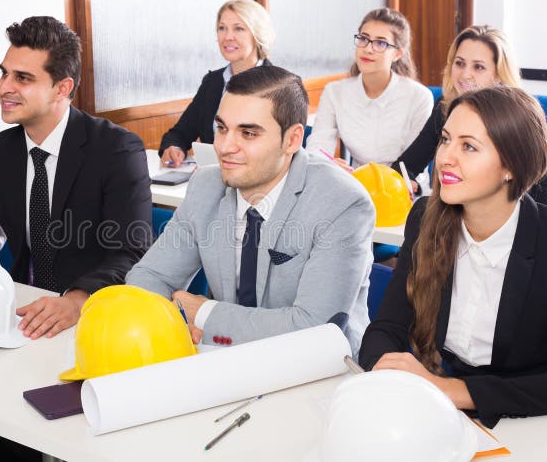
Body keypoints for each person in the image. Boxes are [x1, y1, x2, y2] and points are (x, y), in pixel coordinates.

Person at [358, 87, 547, 442]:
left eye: (468, 147)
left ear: (511, 166)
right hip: (449, 415)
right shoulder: (425, 219)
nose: (445, 158)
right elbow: (387, 327)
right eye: (445, 140)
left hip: (539, 423)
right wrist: (388, 372)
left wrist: (450, 389)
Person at [0, 16, 152, 342]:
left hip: (94, 318)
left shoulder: (116, 149)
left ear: (62, 88)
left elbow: (131, 251)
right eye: (4, 73)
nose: (4, 87)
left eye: (22, 78)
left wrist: (77, 300)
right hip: (21, 312)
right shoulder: (0, 150)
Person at [128, 66, 375, 357]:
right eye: (222, 128)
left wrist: (204, 313)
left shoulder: (343, 202)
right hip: (223, 360)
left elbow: (314, 329)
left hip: (320, 371)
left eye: (248, 133)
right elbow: (147, 278)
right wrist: (176, 321)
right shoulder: (205, 185)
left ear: (292, 140)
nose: (224, 147)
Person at [392, 25, 547, 204]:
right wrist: (409, 184)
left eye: (478, 67)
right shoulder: (445, 108)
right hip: (455, 213)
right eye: (459, 63)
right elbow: (403, 167)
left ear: (499, 74)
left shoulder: (518, 117)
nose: (465, 75)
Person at [305, 7, 432, 169]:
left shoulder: (419, 97)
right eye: (364, 39)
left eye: (380, 43)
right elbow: (317, 148)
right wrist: (330, 166)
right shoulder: (334, 92)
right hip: (355, 179)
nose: (368, 49)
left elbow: (414, 165)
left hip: (403, 181)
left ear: (397, 54)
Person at [159, 0, 275, 168]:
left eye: (239, 29)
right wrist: (174, 148)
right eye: (222, 28)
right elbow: (180, 133)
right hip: (213, 179)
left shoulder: (281, 85)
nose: (227, 37)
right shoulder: (212, 82)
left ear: (258, 35)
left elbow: (278, 151)